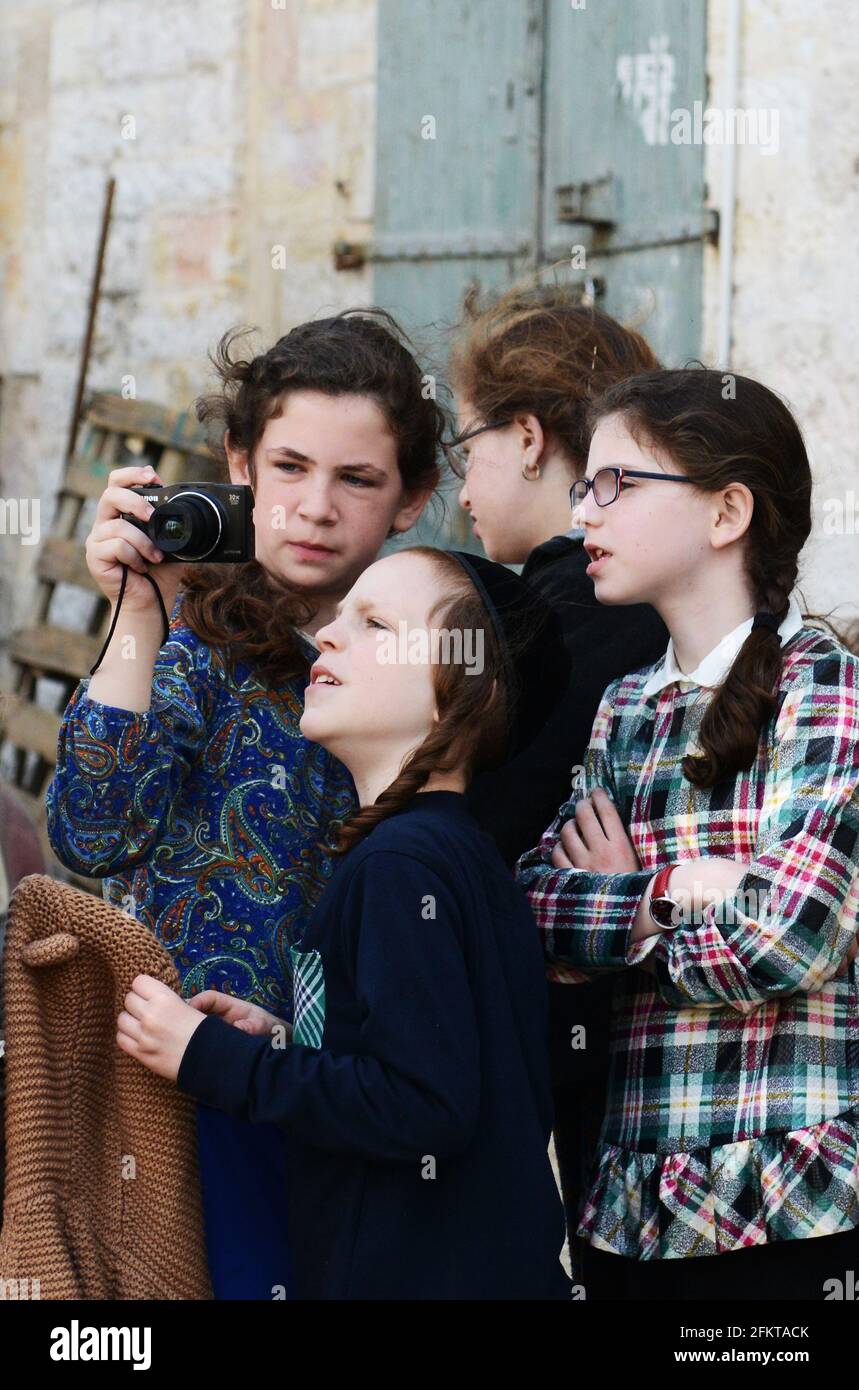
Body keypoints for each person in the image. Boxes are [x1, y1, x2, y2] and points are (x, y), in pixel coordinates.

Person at [46, 309, 445, 1299]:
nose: (314, 507)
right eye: (289, 468)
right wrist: (141, 611)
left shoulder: (431, 668)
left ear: (412, 498)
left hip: (353, 1103)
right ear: (238, 463)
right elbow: (91, 832)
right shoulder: (200, 658)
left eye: (356, 479)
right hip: (186, 1100)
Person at [116, 545, 572, 1300]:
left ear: (456, 695)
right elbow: (424, 1057)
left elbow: (424, 1106)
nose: (327, 633)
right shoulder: (442, 854)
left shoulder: (403, 867)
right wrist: (286, 1039)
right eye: (341, 616)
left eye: (374, 624)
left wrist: (212, 1059)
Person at [516, 366, 859, 1300]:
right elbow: (533, 906)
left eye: (618, 483)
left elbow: (788, 938)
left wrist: (620, 922)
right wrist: (671, 892)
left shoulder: (824, 689)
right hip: (639, 1206)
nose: (585, 509)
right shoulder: (625, 707)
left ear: (725, 513)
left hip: (796, 1205)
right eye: (584, 484)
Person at [446, 283, 669, 1267]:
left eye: (467, 450)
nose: (460, 491)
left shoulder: (555, 618)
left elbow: (476, 838)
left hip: (624, 1069)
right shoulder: (650, 597)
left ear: (528, 437)